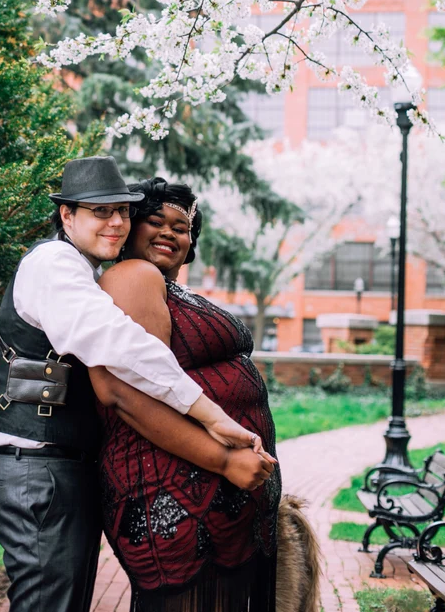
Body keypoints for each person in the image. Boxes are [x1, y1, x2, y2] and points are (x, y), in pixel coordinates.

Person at [0, 156, 269, 612]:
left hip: (65, 470)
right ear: (66, 215)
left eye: (121, 210)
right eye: (100, 211)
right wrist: (211, 417)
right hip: (39, 470)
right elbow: (119, 345)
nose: (115, 222)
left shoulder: (87, 270)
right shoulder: (52, 263)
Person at [90, 177, 281, 612]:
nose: (169, 233)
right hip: (174, 495)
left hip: (214, 504)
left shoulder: (167, 286)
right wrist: (225, 461)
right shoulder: (133, 276)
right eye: (155, 221)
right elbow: (129, 394)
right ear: (130, 227)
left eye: (182, 227)